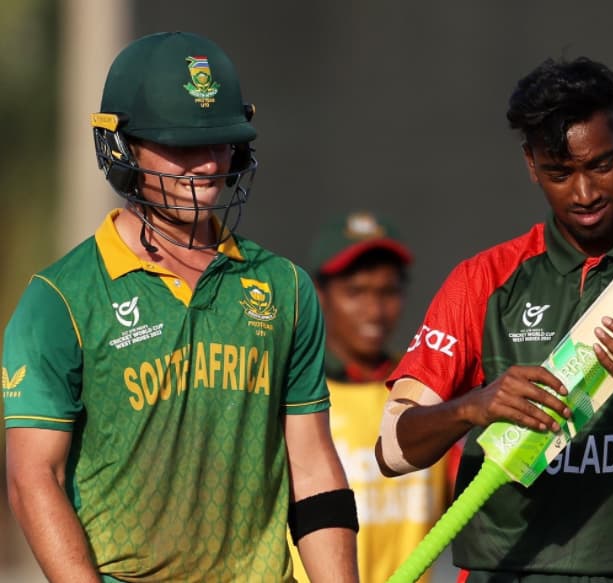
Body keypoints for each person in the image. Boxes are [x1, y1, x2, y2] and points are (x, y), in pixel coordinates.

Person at [375, 56, 613, 583]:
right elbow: (392, 449)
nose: (585, 194)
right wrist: (474, 408)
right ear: (532, 165)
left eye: (602, 164)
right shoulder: (482, 280)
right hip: (504, 573)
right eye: (559, 173)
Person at [2, 31, 358, 583]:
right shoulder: (61, 300)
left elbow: (311, 466)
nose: (210, 167)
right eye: (182, 147)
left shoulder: (282, 286)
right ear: (119, 148)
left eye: (221, 144)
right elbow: (32, 479)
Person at [290, 211, 454, 583]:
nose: (375, 310)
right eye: (356, 292)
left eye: (388, 292)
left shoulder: (426, 388)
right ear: (320, 295)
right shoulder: (291, 396)